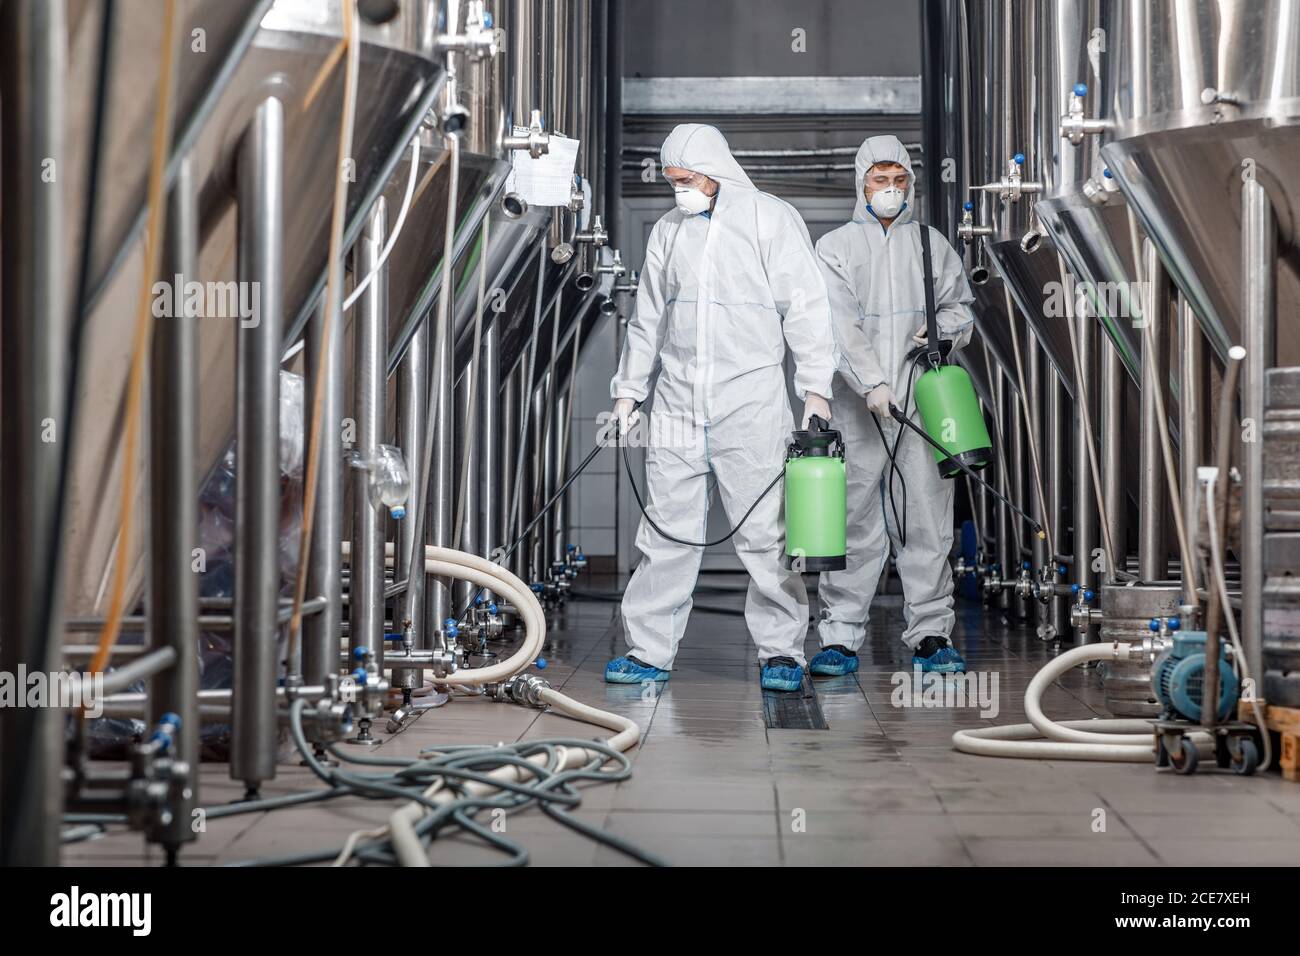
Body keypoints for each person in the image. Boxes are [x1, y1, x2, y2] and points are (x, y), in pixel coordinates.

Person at [606, 123, 836, 692]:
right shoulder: (667, 230)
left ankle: (781, 651)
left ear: (713, 173)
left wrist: (815, 390)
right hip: (680, 398)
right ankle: (649, 651)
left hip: (750, 399)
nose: (677, 191)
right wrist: (629, 392)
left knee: (763, 534)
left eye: (685, 180)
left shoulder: (769, 218)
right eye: (671, 182)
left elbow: (805, 306)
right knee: (665, 531)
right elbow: (649, 319)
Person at [809, 134, 975, 677]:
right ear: (861, 183)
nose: (891, 189)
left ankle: (930, 632)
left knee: (926, 516)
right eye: (880, 179)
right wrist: (872, 382)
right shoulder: (835, 248)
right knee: (854, 517)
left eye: (900, 179)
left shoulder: (931, 244)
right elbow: (838, 326)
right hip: (859, 406)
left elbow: (960, 310)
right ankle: (839, 635)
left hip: (922, 400)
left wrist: (944, 331)